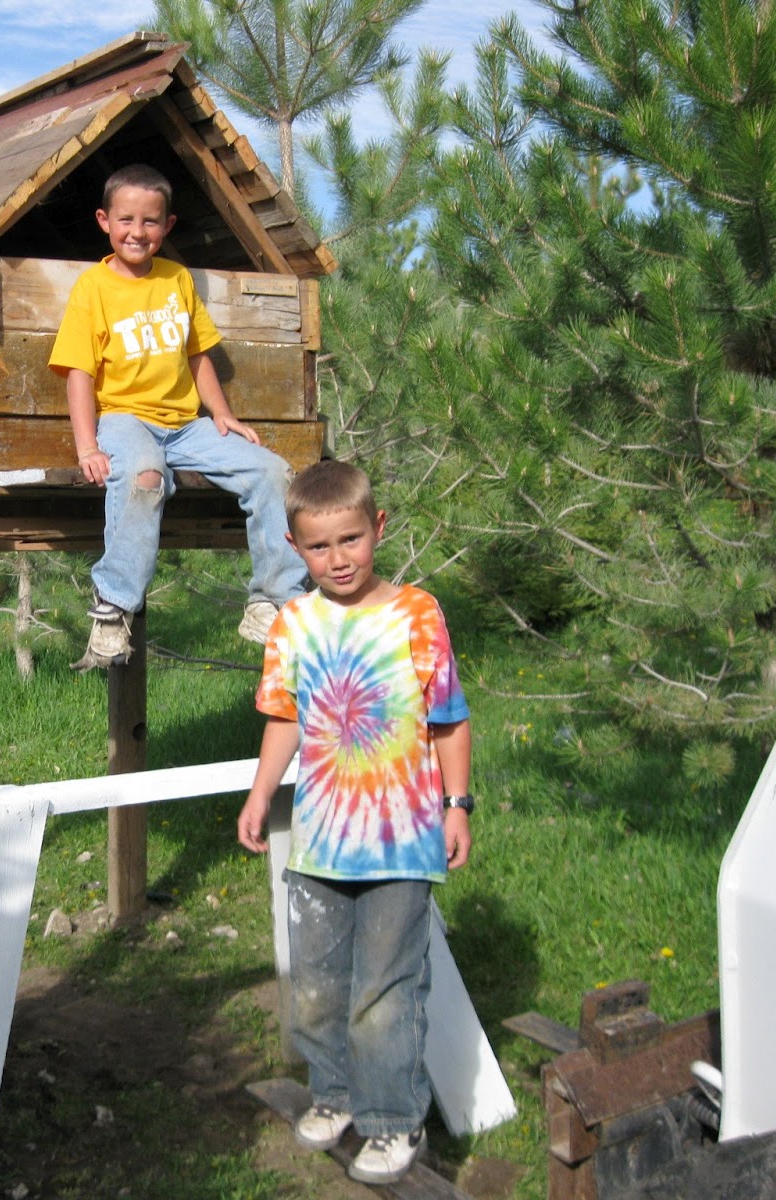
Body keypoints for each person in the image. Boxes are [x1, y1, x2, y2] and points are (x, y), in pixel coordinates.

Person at [236, 459, 473, 1186]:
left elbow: (449, 719)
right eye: (318, 546)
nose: (337, 559)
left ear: (378, 528)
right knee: (314, 988)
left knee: (383, 994)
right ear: (294, 547)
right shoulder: (293, 623)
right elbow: (284, 717)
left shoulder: (418, 614)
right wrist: (259, 793)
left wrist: (457, 804)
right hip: (320, 845)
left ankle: (394, 1119)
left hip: (403, 843)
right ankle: (334, 1095)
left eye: (350, 539)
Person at [48, 164, 307, 669]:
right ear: (104, 221)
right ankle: (113, 608)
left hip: (187, 426)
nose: (137, 232)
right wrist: (87, 446)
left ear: (167, 225)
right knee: (145, 477)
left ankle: (272, 602)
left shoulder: (177, 279)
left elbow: (196, 355)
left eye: (150, 221)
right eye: (126, 220)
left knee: (271, 471)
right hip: (125, 420)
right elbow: (79, 372)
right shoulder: (93, 288)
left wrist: (223, 415)